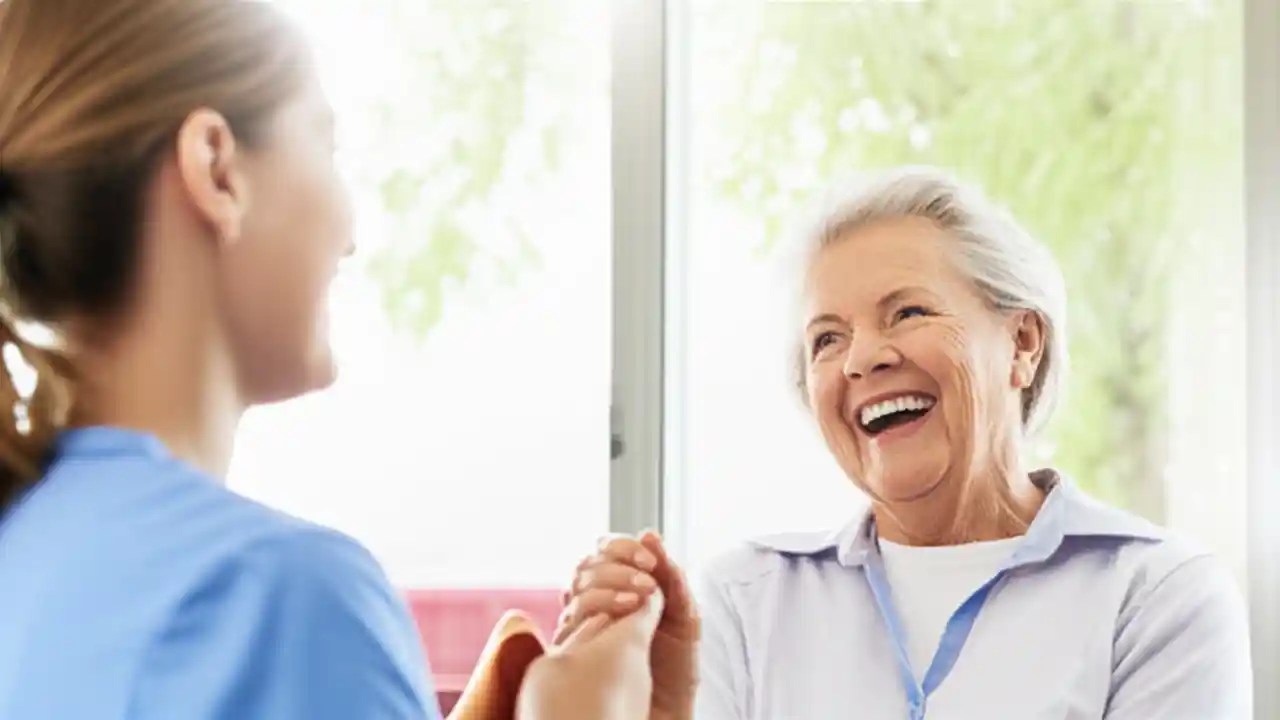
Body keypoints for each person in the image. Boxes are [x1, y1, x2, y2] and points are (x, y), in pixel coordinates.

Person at [0, 1, 660, 718]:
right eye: (326, 145)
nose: (349, 232)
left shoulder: (30, 548)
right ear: (216, 168)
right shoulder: (274, 598)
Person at [563, 167, 1253, 718]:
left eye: (908, 312)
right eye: (826, 339)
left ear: (1021, 343)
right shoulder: (745, 598)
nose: (861, 359)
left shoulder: (1157, 596)